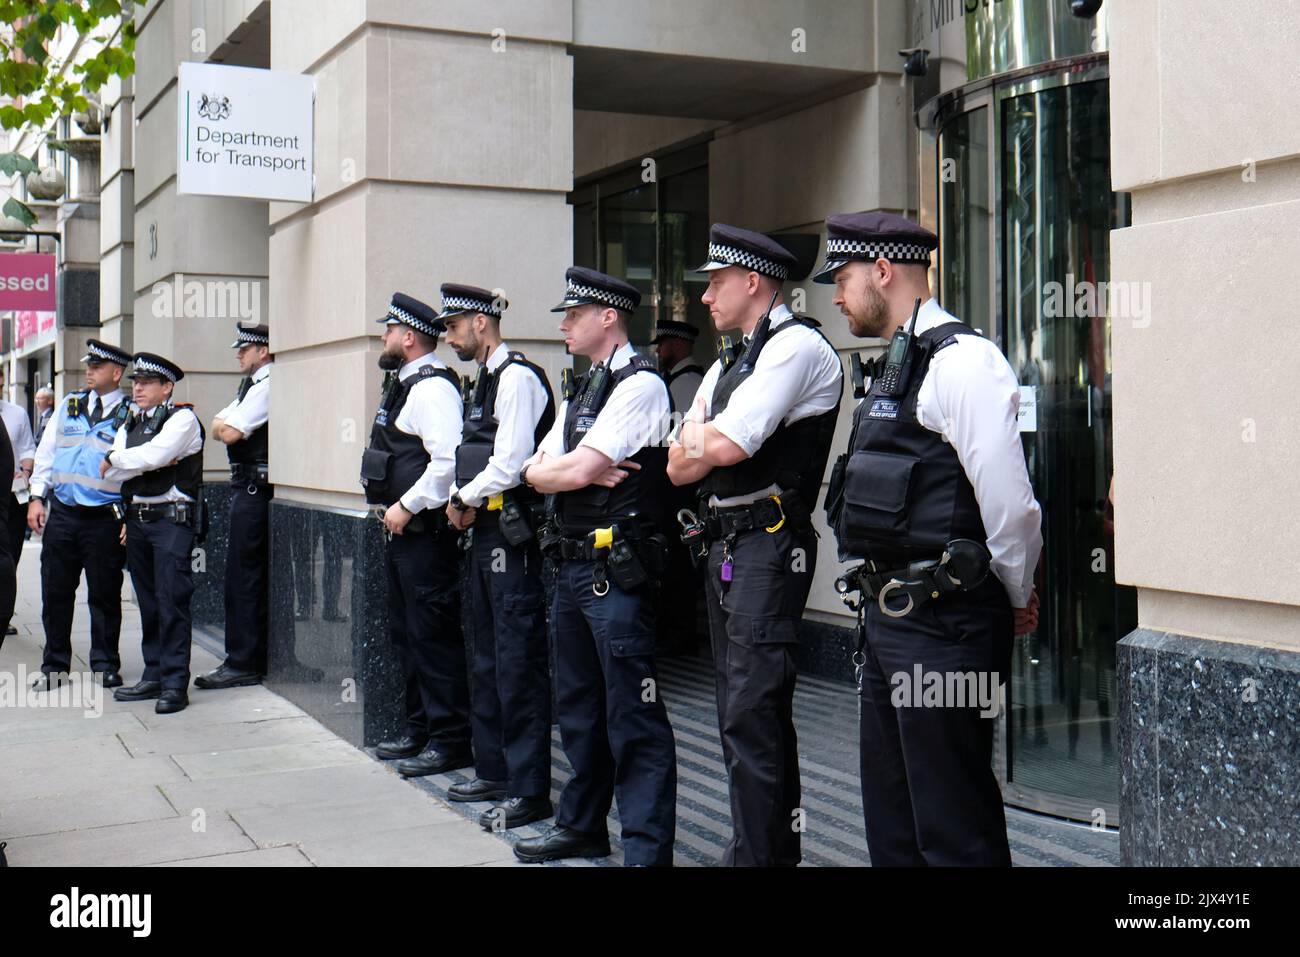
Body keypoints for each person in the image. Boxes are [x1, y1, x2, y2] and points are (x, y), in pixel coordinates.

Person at [817, 210, 1042, 866]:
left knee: (952, 824)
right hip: (890, 621)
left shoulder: (964, 362)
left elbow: (1012, 508)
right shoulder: (894, 367)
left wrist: (1011, 596)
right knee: (893, 823)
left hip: (948, 622)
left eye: (844, 276)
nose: (835, 293)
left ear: (883, 271)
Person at [667, 223, 843, 867]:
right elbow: (676, 466)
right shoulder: (728, 359)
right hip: (726, 543)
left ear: (753, 281)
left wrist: (705, 440)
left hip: (771, 543)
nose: (706, 298)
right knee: (737, 708)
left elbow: (726, 446)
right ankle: (758, 850)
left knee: (753, 707)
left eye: (714, 284)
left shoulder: (795, 347)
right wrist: (704, 441)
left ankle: (761, 859)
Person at [512, 267, 678, 866]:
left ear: (608, 317)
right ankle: (582, 825)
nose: (563, 324)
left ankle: (645, 849)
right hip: (573, 569)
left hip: (618, 572)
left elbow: (575, 472)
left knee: (633, 713)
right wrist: (564, 469)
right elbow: (531, 470)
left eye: (573, 314)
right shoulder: (585, 388)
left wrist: (571, 469)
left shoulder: (642, 385)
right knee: (579, 710)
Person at [439, 283, 556, 830]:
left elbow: (510, 462)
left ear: (481, 323)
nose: (448, 335)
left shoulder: (517, 379)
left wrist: (463, 498)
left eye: (454, 325)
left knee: (517, 661)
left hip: (512, 534)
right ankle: (493, 768)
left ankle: (529, 788)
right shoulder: (483, 381)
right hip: (484, 532)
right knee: (485, 655)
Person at [360, 292, 473, 777]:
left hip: (424, 535)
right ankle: (420, 729)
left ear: (408, 337)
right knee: (408, 636)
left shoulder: (430, 388)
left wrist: (406, 505)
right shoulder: (403, 384)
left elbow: (448, 462)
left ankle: (449, 740)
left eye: (388, 331)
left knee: (432, 637)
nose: (382, 337)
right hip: (403, 533)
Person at [104, 353, 206, 715]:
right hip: (138, 521)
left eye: (147, 383)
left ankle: (176, 683)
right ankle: (154, 673)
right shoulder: (130, 421)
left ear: (167, 387)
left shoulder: (183, 419)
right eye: (135, 382)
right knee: (147, 601)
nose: (138, 388)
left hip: (171, 522)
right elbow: (114, 472)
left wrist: (130, 459)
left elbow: (149, 457)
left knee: (171, 600)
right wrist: (132, 459)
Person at [27, 340, 132, 690]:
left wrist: (129, 517)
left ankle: (105, 664)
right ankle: (55, 666)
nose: (89, 370)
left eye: (97, 367)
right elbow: (45, 453)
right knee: (55, 592)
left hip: (104, 518)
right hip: (64, 515)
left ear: (116, 373)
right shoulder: (69, 405)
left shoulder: (129, 413)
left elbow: (137, 470)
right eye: (89, 365)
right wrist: (37, 497)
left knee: (104, 594)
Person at [197, 323, 274, 690]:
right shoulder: (251, 386)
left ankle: (243, 661)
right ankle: (245, 657)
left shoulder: (268, 385)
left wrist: (225, 424)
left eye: (246, 348)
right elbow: (216, 423)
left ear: (264, 351)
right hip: (245, 487)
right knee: (241, 578)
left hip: (255, 490)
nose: (238, 353)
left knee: (244, 579)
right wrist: (224, 423)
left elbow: (227, 432)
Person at [651, 318, 705, 657]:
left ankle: (682, 633)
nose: (658, 350)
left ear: (678, 344)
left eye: (663, 344)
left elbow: (688, 442)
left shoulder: (688, 384)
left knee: (680, 562)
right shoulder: (673, 381)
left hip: (682, 486)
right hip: (673, 481)